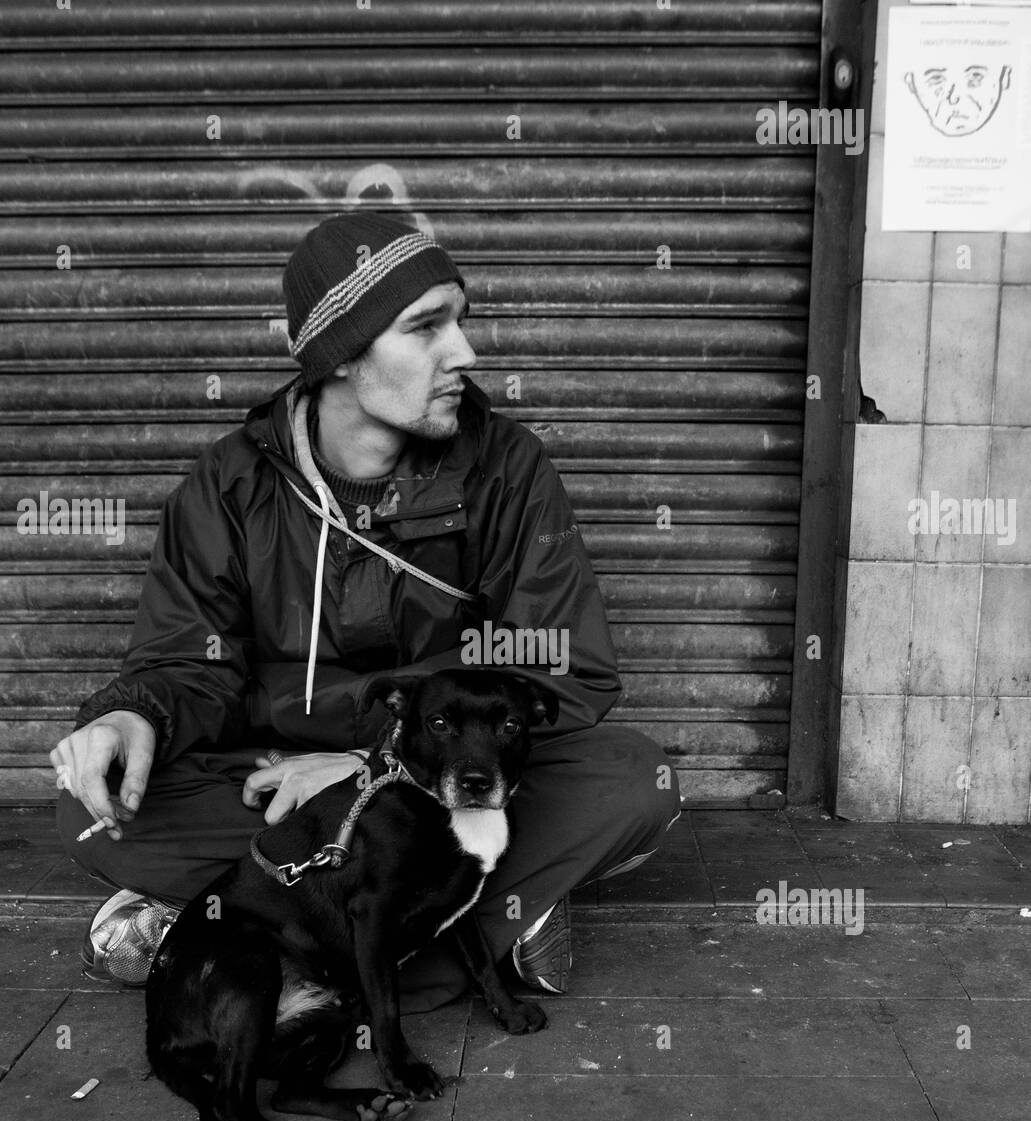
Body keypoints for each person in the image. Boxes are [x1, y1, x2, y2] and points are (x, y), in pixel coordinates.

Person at [50, 210, 681, 1010]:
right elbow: (188, 660)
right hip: (268, 778)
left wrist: (374, 762)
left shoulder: (506, 469)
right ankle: (487, 930)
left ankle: (244, 938)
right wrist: (134, 716)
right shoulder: (229, 484)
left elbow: (557, 665)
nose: (465, 353)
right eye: (425, 328)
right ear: (341, 356)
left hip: (434, 772)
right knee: (87, 802)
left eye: (461, 320)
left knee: (632, 778)